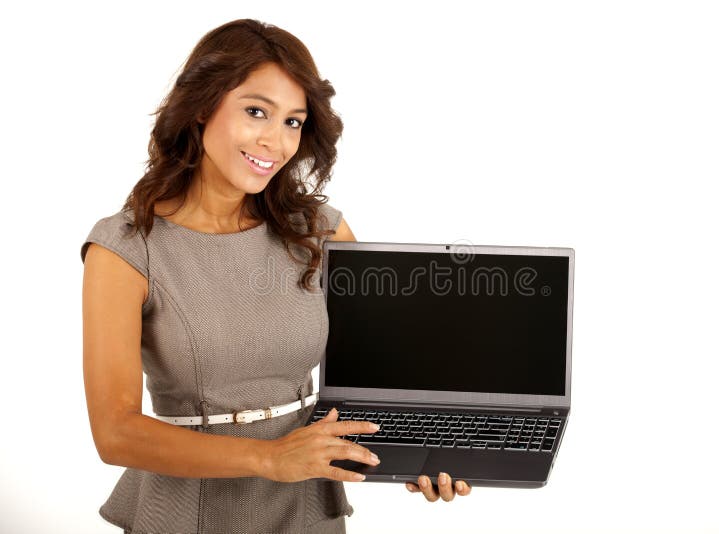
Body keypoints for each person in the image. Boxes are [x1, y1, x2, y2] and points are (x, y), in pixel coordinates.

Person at [80, 19, 471, 533]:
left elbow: (382, 376)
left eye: (293, 121)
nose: (275, 141)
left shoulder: (320, 231)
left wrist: (425, 452)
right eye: (256, 111)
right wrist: (269, 458)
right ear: (202, 107)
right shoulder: (127, 248)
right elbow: (115, 433)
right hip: (187, 511)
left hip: (306, 508)